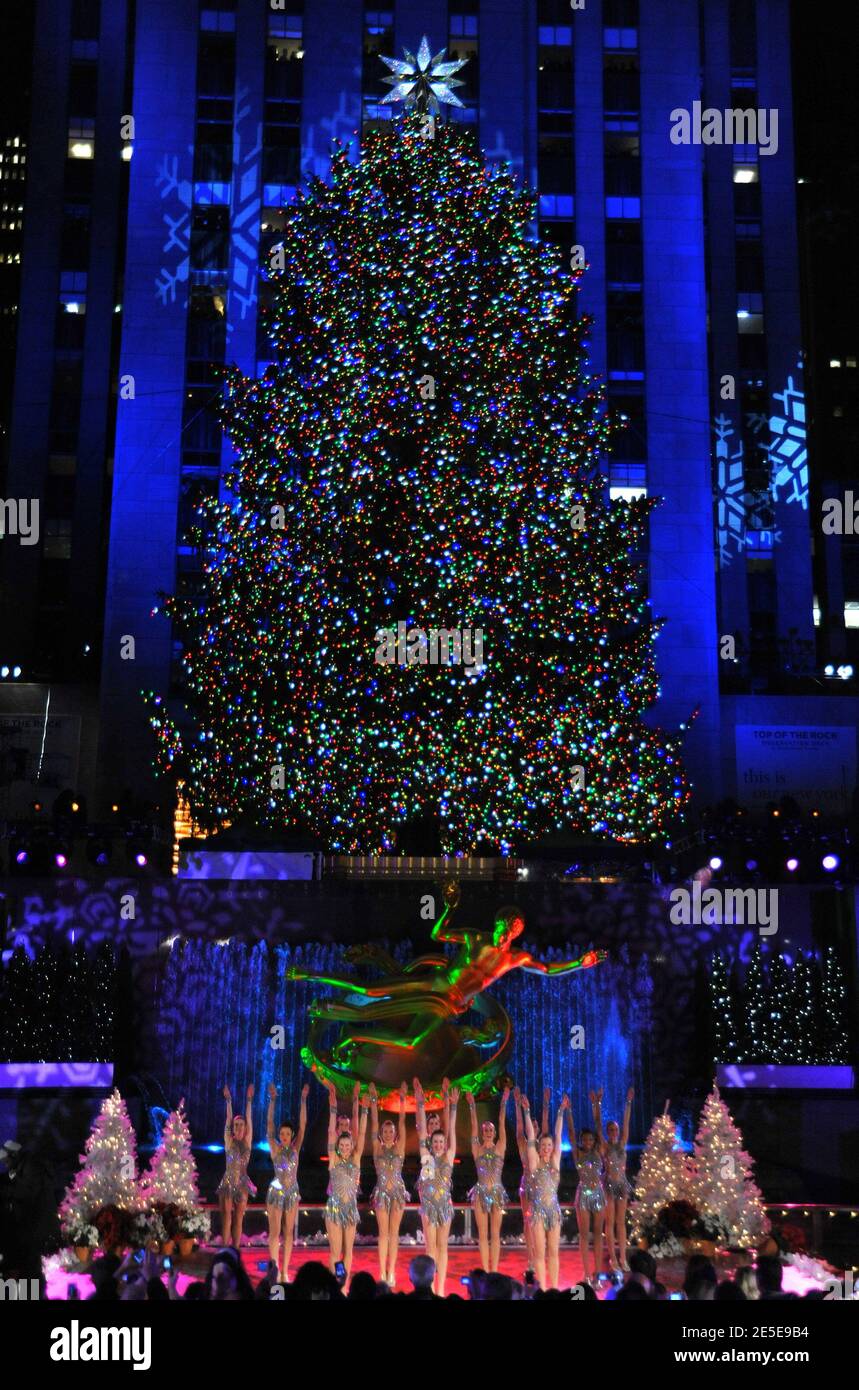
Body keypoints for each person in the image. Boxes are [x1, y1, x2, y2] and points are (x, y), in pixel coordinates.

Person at [414, 1078, 459, 1295]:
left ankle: (441, 1289)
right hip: (429, 1206)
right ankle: (430, 1288)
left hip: (445, 1206)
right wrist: (420, 1103)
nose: (439, 1144)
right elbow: (423, 1131)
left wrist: (453, 1106)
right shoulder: (426, 1156)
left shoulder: (450, 1155)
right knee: (430, 1247)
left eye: (442, 1142)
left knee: (443, 1246)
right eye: (436, 1142)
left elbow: (451, 1128)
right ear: (431, 1143)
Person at [321, 1075, 369, 1283]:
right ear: (338, 1148)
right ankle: (335, 1283)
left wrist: (364, 1108)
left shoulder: (356, 1159)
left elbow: (362, 1132)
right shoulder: (333, 1159)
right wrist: (333, 1109)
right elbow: (332, 1133)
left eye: (348, 1145)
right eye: (342, 1146)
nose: (345, 1148)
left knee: (348, 1251)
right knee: (335, 1251)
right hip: (333, 1207)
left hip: (350, 1209)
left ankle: (344, 1286)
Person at [522, 1091, 567, 1291]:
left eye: (549, 1145)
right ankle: (541, 1290)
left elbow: (558, 1135)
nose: (547, 1147)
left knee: (554, 1252)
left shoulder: (556, 1160)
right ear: (539, 1147)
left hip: (554, 1211)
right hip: (538, 1211)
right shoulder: (534, 1162)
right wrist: (526, 1110)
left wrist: (560, 1112)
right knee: (540, 1253)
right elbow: (531, 1135)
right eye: (544, 1145)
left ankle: (554, 1289)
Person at [265, 1081, 308, 1283]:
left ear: (292, 1137)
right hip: (276, 1191)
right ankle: (274, 1271)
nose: (283, 1136)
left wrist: (303, 1100)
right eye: (282, 1134)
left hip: (292, 1192)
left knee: (288, 1233)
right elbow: (269, 1125)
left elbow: (303, 1124)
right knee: (274, 1233)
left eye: (287, 1134)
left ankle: (284, 1271)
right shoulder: (274, 1147)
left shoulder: (295, 1149)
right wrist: (272, 1100)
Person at [368, 1081, 409, 1287]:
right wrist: (374, 1100)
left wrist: (402, 1099)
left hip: (398, 1193)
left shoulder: (400, 1147)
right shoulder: (377, 1148)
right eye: (385, 1131)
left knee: (394, 1234)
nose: (388, 1133)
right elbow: (374, 1124)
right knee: (383, 1234)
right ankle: (381, 1273)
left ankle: (391, 1271)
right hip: (382, 1193)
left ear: (395, 1134)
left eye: (391, 1131)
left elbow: (402, 1121)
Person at [466, 1087, 510, 1273]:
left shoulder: (500, 1147)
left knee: (495, 1233)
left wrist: (503, 1102)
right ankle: (485, 1269)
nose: (488, 1132)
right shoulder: (477, 1149)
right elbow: (474, 1128)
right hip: (481, 1192)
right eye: (486, 1130)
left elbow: (501, 1122)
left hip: (497, 1192)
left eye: (491, 1130)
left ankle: (495, 1270)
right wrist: (472, 1106)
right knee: (483, 1234)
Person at [566, 1090, 606, 1286]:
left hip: (598, 1194)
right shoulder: (577, 1153)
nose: (588, 1142)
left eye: (591, 1140)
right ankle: (587, 1274)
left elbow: (599, 1127)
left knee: (598, 1234)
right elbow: (572, 1134)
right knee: (584, 1235)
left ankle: (598, 1274)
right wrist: (569, 1111)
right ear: (582, 1141)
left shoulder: (599, 1151)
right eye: (586, 1140)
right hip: (583, 1195)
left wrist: (596, 1105)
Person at [513, 1086, 549, 1270]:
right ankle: (531, 1257)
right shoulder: (523, 1143)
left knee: (539, 1221)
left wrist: (545, 1103)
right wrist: (517, 1104)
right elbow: (519, 1126)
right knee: (528, 1222)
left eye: (536, 1126)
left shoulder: (542, 1145)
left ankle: (540, 1255)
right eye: (531, 1126)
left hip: (541, 1187)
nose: (534, 1128)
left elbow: (545, 1125)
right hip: (526, 1186)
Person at [218, 1083, 255, 1247]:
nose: (239, 1127)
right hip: (228, 1181)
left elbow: (249, 1118)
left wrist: (249, 1100)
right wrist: (228, 1101)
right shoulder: (229, 1141)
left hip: (242, 1183)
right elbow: (228, 1119)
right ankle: (225, 1249)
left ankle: (236, 1249)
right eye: (236, 1125)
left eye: (241, 1124)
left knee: (239, 1217)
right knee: (227, 1216)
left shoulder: (247, 1142)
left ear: (246, 1128)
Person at [602, 1086, 634, 1272]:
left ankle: (623, 1257)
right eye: (611, 1129)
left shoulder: (622, 1143)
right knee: (610, 1222)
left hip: (621, 1184)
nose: (614, 1131)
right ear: (608, 1132)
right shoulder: (605, 1146)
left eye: (616, 1129)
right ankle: (613, 1258)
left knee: (621, 1222)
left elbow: (627, 1122)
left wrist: (628, 1102)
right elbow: (598, 1127)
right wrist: (596, 1104)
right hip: (608, 1184)